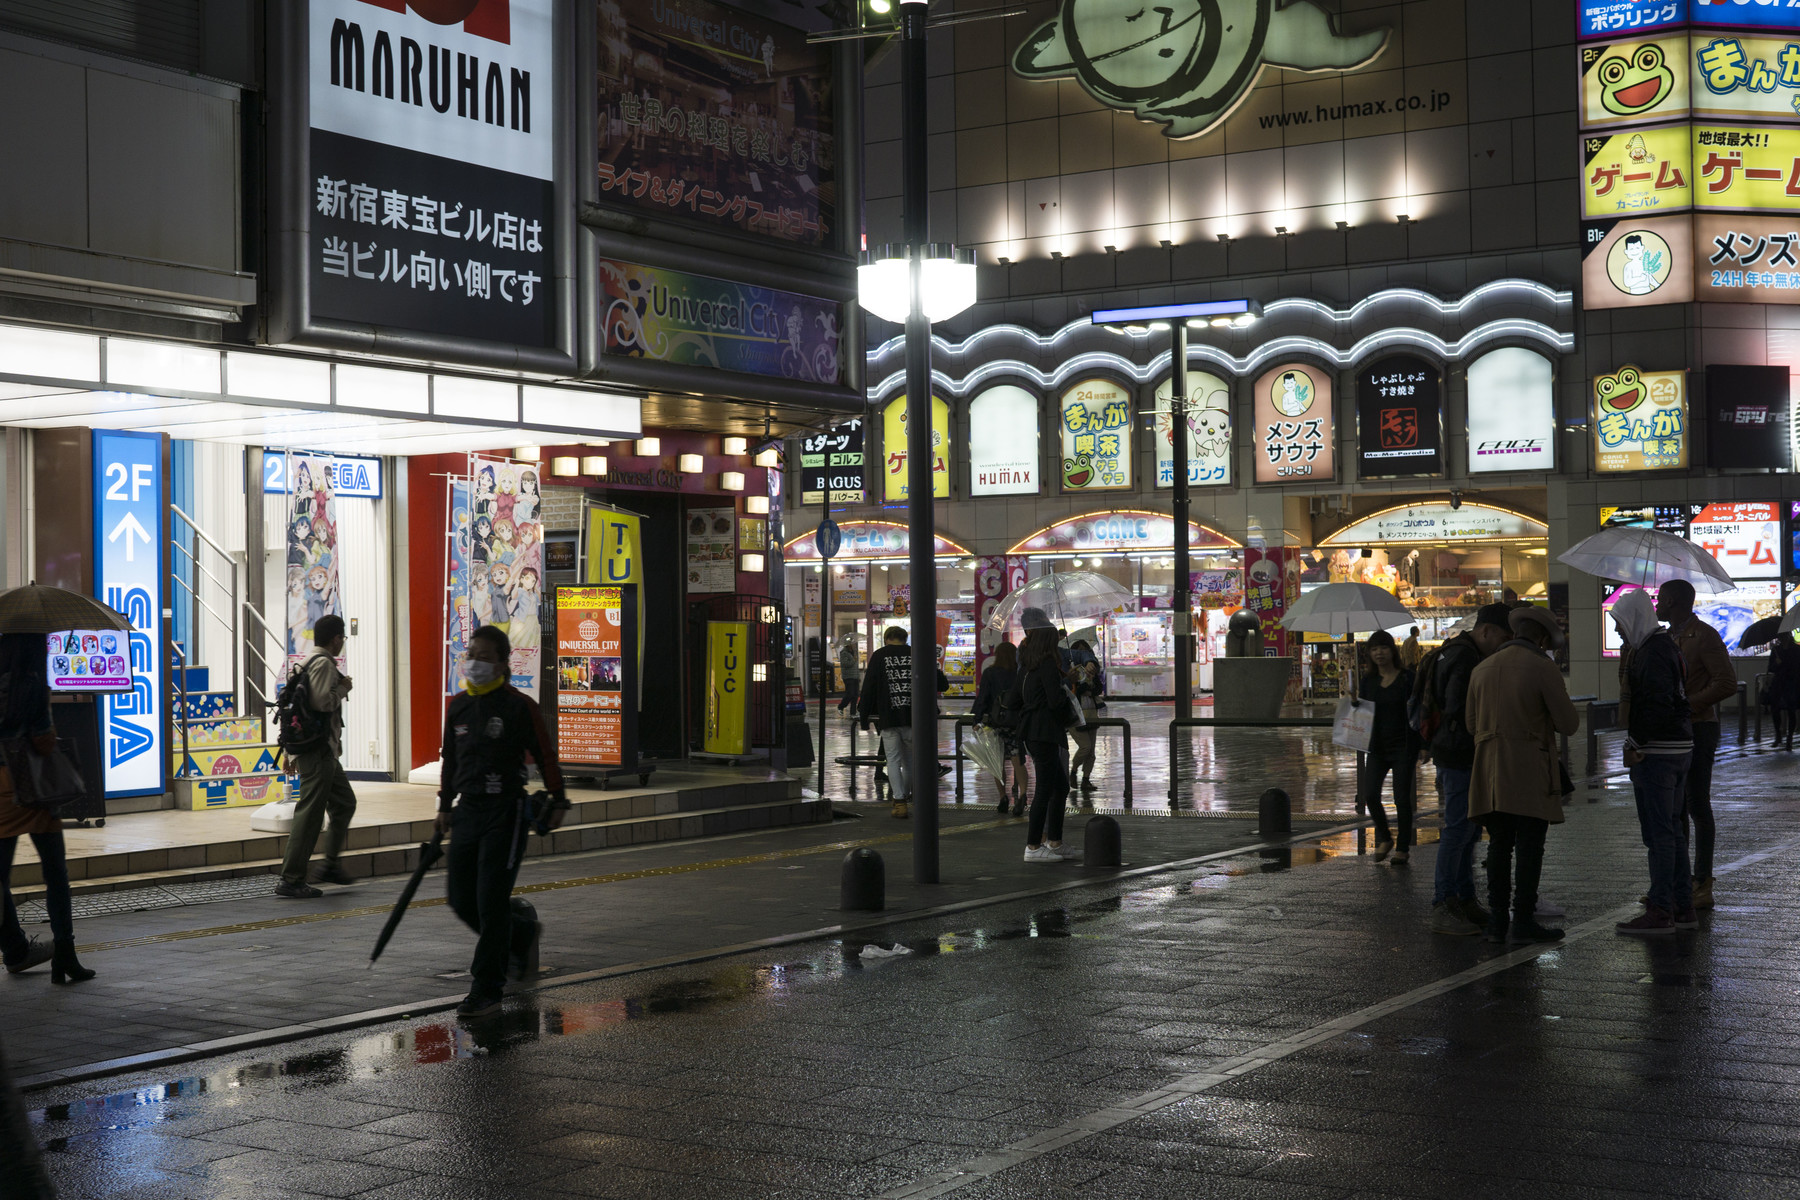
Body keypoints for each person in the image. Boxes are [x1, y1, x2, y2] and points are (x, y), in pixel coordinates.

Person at [436, 624, 568, 1017]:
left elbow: (545, 755)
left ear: (503, 663)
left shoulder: (518, 706)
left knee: (490, 901)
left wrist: (558, 798)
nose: (474, 662)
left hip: (506, 812)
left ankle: (487, 989)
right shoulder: (458, 705)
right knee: (461, 899)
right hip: (467, 811)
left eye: (484, 656)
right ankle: (521, 933)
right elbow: (451, 760)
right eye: (471, 654)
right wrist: (444, 805)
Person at [1466, 606, 1580, 944]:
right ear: (1542, 638)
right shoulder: (1542, 668)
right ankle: (1524, 921)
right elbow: (1569, 724)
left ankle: (1497, 922)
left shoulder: (1482, 669)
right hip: (1529, 766)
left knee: (1499, 845)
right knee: (1531, 846)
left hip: (1489, 770)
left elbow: (1471, 724)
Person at [0, 633, 94, 984]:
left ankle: (14, 947)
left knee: (0, 879)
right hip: (35, 790)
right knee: (55, 874)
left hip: (1, 793)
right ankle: (65, 955)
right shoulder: (32, 683)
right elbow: (42, 741)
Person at [1424, 603, 1513, 935]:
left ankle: (1464, 899)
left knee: (1468, 829)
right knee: (1459, 828)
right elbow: (1460, 710)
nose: (1505, 646)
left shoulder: (1456, 650)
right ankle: (1444, 902)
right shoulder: (1464, 657)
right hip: (1460, 754)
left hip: (1455, 752)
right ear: (1487, 631)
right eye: (1503, 637)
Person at [1612, 590, 1697, 935]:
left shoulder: (1652, 652)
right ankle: (1682, 904)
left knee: (1659, 833)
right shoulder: (1665, 646)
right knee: (1672, 831)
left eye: (1620, 623)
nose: (1618, 631)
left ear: (1633, 619)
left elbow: (1657, 704)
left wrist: (1635, 742)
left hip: (1658, 754)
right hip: (1677, 748)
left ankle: (1661, 909)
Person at [1656, 579, 1735, 910]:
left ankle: (1702, 881)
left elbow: (1726, 682)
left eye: (1660, 599)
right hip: (1676, 730)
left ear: (1673, 600)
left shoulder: (1703, 635)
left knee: (1696, 804)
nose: (1656, 604)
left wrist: (1689, 704)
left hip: (1699, 728)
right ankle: (1680, 881)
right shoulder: (1666, 637)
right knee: (1675, 807)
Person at [276, 614, 357, 899]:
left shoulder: (306, 660)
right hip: (318, 751)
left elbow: (294, 707)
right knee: (310, 813)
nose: (342, 643)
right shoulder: (323, 664)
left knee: (345, 803)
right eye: (342, 638)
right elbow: (323, 702)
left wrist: (289, 751)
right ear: (336, 638)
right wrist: (344, 687)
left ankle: (331, 864)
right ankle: (292, 878)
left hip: (319, 751)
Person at [857, 626, 946, 819]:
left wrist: (863, 716)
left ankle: (899, 802)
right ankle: (904, 796)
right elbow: (941, 683)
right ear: (905, 639)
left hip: (888, 717)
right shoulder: (918, 653)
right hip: (915, 717)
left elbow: (869, 687)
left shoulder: (880, 656)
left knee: (893, 760)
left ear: (887, 638)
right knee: (910, 761)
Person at [1011, 625, 1078, 862]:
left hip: (1032, 731)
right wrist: (1066, 689)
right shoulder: (1048, 664)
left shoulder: (1028, 666)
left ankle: (1055, 841)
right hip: (1045, 731)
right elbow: (1054, 701)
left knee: (1059, 787)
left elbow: (1013, 698)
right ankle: (1032, 846)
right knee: (1045, 790)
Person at [1358, 630, 1419, 864]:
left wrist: (1423, 745)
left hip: (1403, 745)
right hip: (1377, 747)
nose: (1379, 653)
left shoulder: (1407, 678)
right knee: (1370, 794)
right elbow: (1363, 712)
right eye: (1374, 649)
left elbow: (1417, 712)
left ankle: (1402, 847)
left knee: (1402, 798)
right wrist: (1354, 703)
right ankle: (1385, 837)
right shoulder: (1368, 681)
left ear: (1392, 650)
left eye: (1383, 648)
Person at [972, 639, 1026, 814]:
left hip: (996, 723)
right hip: (1016, 722)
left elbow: (983, 698)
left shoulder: (990, 672)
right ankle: (1023, 795)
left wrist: (977, 720)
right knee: (1018, 760)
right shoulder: (1020, 672)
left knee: (997, 762)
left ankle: (1003, 797)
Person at [1067, 640, 1103, 793]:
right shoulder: (1070, 670)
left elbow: (1099, 688)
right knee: (1085, 747)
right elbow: (1070, 690)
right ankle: (1073, 771)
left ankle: (1086, 779)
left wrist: (1092, 688)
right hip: (1075, 713)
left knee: (1092, 752)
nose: (1084, 654)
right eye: (1080, 651)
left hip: (1091, 712)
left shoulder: (1092, 670)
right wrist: (1083, 687)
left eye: (1086, 651)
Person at [1769, 632, 1800, 750]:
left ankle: (1789, 738)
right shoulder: (1776, 650)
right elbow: (1771, 668)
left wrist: (1782, 664)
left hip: (1791, 683)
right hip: (1779, 683)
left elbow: (1796, 667)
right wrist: (1776, 665)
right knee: (1775, 709)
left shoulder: (1796, 650)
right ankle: (1779, 735)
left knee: (1791, 710)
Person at [835, 635, 861, 713]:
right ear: (848, 644)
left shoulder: (854, 652)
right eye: (852, 643)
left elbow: (855, 666)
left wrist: (858, 676)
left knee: (855, 695)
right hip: (848, 677)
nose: (854, 645)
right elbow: (845, 664)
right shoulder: (844, 653)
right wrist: (854, 660)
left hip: (855, 676)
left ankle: (853, 712)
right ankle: (841, 706)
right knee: (850, 694)